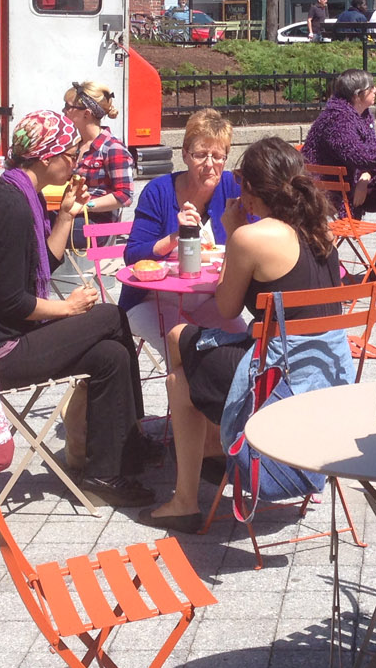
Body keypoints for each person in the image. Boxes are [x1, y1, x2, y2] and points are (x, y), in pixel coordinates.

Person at [141, 137, 346, 533]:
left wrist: (233, 229)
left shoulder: (253, 236)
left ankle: (189, 493)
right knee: (181, 371)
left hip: (277, 375)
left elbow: (227, 307)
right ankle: (217, 448)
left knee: (177, 353)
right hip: (325, 370)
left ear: (250, 189)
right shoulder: (321, 229)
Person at [0, 111, 155, 508]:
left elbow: (42, 266)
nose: (76, 161)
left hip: (12, 333)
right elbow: (12, 301)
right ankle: (133, 439)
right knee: (111, 316)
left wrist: (66, 214)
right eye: (70, 154)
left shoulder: (20, 192)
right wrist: (67, 309)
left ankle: (106, 470)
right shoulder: (11, 206)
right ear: (47, 159)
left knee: (112, 355)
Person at [121, 109, 242, 349]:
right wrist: (176, 237)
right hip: (150, 299)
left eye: (218, 156)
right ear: (185, 155)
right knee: (183, 351)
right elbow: (132, 256)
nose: (210, 164)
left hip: (207, 297)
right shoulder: (159, 191)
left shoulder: (231, 187)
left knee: (241, 344)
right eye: (200, 155)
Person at [301, 68, 376, 234]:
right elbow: (356, 154)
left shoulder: (363, 115)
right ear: (357, 95)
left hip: (355, 185)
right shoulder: (336, 118)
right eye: (371, 88)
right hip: (334, 194)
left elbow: (370, 152)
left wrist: (366, 176)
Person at [63, 79, 133, 245]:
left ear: (86, 113)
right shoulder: (76, 145)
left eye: (68, 106)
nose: (63, 111)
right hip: (72, 214)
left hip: (98, 224)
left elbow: (125, 196)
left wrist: (85, 205)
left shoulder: (113, 148)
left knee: (44, 230)